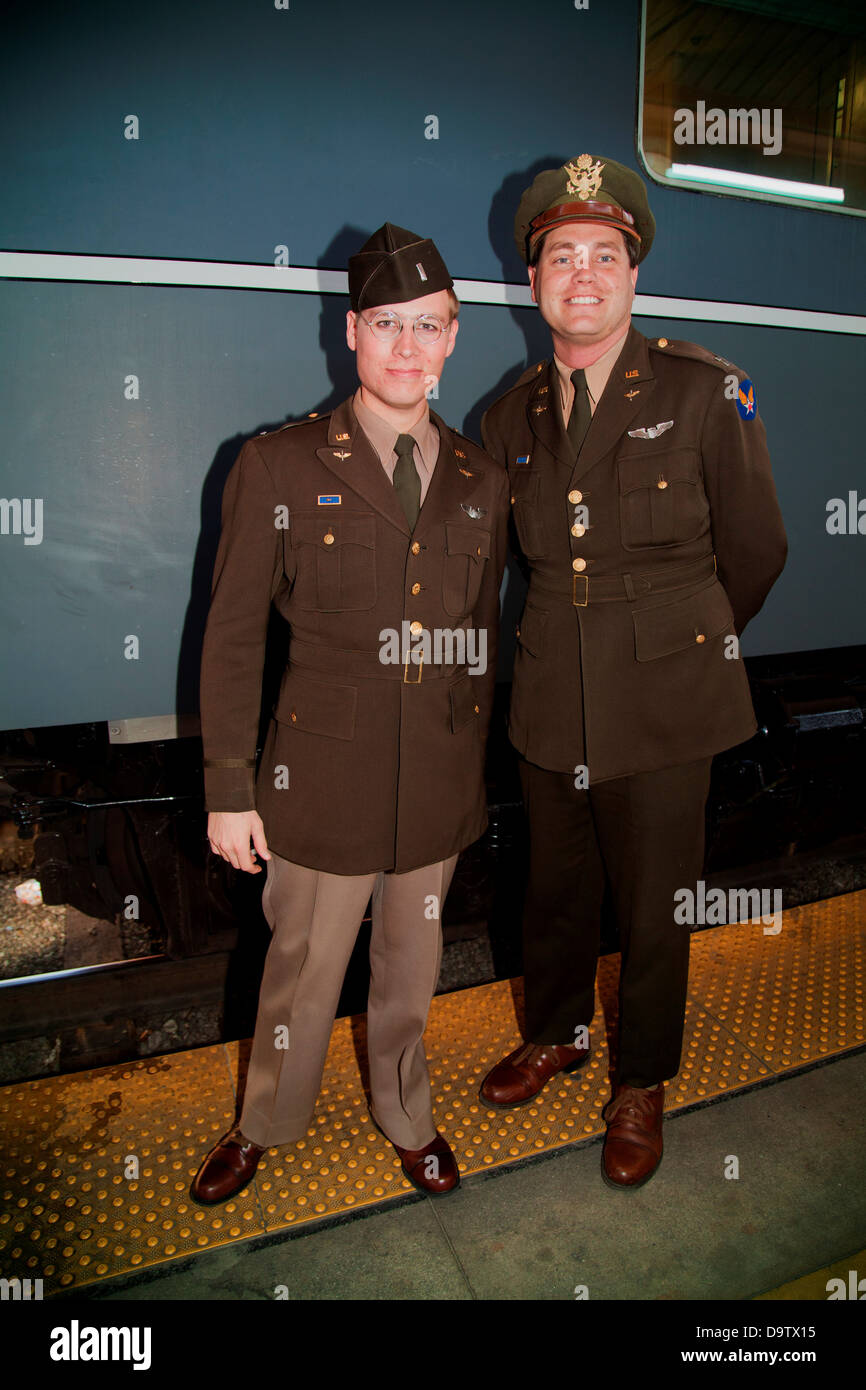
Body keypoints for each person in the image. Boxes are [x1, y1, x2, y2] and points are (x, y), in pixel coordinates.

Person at [479, 154, 787, 1188]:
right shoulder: (506, 415)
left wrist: (686, 643)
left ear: (630, 273)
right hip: (550, 697)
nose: (580, 273)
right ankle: (559, 1031)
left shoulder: (706, 392)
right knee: (552, 892)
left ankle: (640, 1078)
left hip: (666, 698)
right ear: (533, 282)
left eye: (600, 255)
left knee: (656, 905)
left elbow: (755, 550)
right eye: (559, 255)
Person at [192, 222, 509, 1203]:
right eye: (386, 324)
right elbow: (234, 637)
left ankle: (407, 1118)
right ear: (350, 334)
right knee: (298, 973)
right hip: (317, 785)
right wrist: (230, 791)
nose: (406, 346)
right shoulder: (279, 464)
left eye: (428, 325)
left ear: (453, 337)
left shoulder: (480, 481)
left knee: (408, 975)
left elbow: (477, 644)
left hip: (432, 794)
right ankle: (265, 1121)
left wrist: (469, 775)